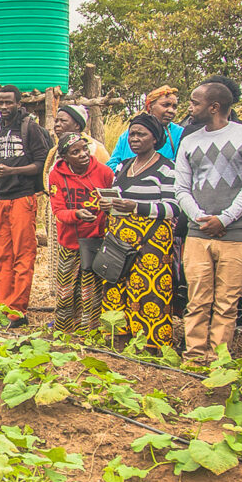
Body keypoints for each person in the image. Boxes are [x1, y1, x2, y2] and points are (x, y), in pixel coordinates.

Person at [175, 82, 242, 363]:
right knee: (197, 299)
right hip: (198, 232)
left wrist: (224, 218)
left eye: (195, 102)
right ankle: (194, 354)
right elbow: (181, 189)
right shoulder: (189, 141)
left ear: (214, 107)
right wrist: (201, 218)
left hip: (235, 233)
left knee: (227, 302)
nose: (189, 108)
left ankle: (218, 358)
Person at [100, 114, 179, 352]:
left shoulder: (166, 168)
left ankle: (151, 344)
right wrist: (108, 205)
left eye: (141, 134)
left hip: (152, 240)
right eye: (132, 134)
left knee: (149, 289)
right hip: (121, 236)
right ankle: (118, 338)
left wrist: (136, 207)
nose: (134, 139)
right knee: (116, 284)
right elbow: (118, 198)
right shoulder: (124, 166)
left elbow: (173, 207)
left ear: (155, 138)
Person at [0, 85, 50, 327]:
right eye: (0, 103)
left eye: (8, 103)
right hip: (1, 196)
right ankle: (2, 307)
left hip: (23, 197)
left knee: (23, 254)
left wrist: (12, 170)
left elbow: (40, 163)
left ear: (18, 103)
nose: (4, 107)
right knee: (1, 254)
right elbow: (2, 157)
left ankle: (18, 310)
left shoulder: (30, 128)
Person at [48, 133, 113, 334]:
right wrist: (76, 214)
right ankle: (64, 330)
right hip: (69, 240)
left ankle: (89, 331)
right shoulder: (56, 175)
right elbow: (58, 210)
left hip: (95, 240)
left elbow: (114, 202)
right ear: (65, 157)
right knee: (66, 289)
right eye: (75, 152)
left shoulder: (104, 172)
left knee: (90, 289)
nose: (83, 154)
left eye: (85, 149)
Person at [107, 86, 183, 169]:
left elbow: (181, 167)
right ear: (150, 107)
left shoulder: (179, 134)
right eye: (165, 105)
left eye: (174, 107)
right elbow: (112, 164)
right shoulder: (127, 136)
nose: (171, 110)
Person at [42, 105, 110, 189]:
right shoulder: (54, 151)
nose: (57, 125)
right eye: (56, 121)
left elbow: (107, 179)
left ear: (77, 125)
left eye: (63, 121)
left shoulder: (95, 148)